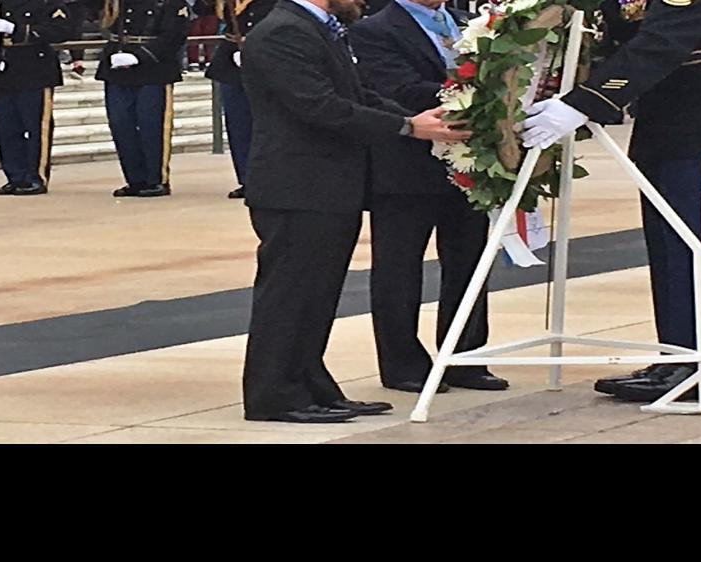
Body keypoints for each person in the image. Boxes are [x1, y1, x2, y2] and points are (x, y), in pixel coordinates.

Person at [520, 0, 701, 402]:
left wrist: (586, 100)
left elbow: (665, 39)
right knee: (669, 248)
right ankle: (679, 355)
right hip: (669, 112)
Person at [238, 0, 467, 422]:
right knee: (290, 296)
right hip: (298, 185)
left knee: (318, 296)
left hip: (328, 187)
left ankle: (310, 383)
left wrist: (414, 118)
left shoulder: (319, 27)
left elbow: (358, 94)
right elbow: (319, 107)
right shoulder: (284, 31)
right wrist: (407, 128)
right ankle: (275, 394)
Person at [349, 0, 508, 393]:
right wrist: (479, 98)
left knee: (469, 260)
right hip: (405, 165)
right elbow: (398, 88)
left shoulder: (466, 24)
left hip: (467, 161)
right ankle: (402, 362)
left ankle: (465, 356)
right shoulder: (376, 29)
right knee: (399, 267)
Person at [0, 0, 75, 194]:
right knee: (6, 129)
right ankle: (15, 176)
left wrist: (18, 30)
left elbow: (61, 31)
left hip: (35, 70)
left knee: (37, 128)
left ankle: (36, 177)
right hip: (4, 71)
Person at [97, 0, 189, 196]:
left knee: (152, 126)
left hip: (153, 68)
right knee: (122, 125)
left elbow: (174, 35)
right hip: (118, 66)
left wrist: (142, 56)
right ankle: (135, 179)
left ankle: (156, 180)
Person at [203, 0, 273, 199]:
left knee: (265, 126)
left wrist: (256, 50)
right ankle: (247, 178)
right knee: (238, 125)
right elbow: (204, 9)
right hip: (232, 60)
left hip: (268, 60)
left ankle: (267, 178)